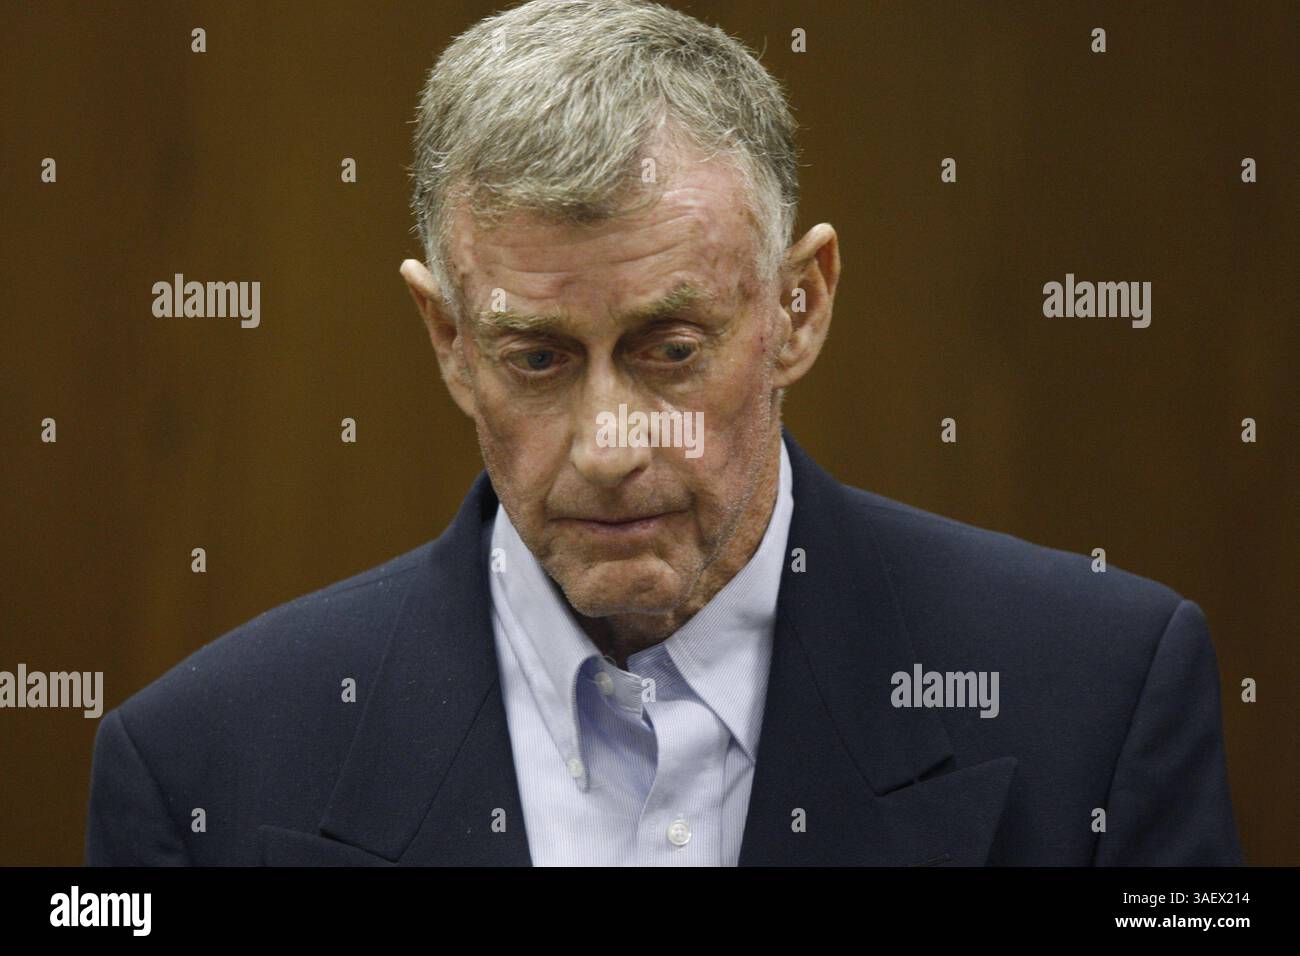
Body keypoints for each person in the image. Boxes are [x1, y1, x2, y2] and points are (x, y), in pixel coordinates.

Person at [85, 0, 1242, 866]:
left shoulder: (1098, 697)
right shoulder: (202, 770)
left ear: (799, 305)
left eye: (668, 349)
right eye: (536, 357)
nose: (606, 442)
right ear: (446, 339)